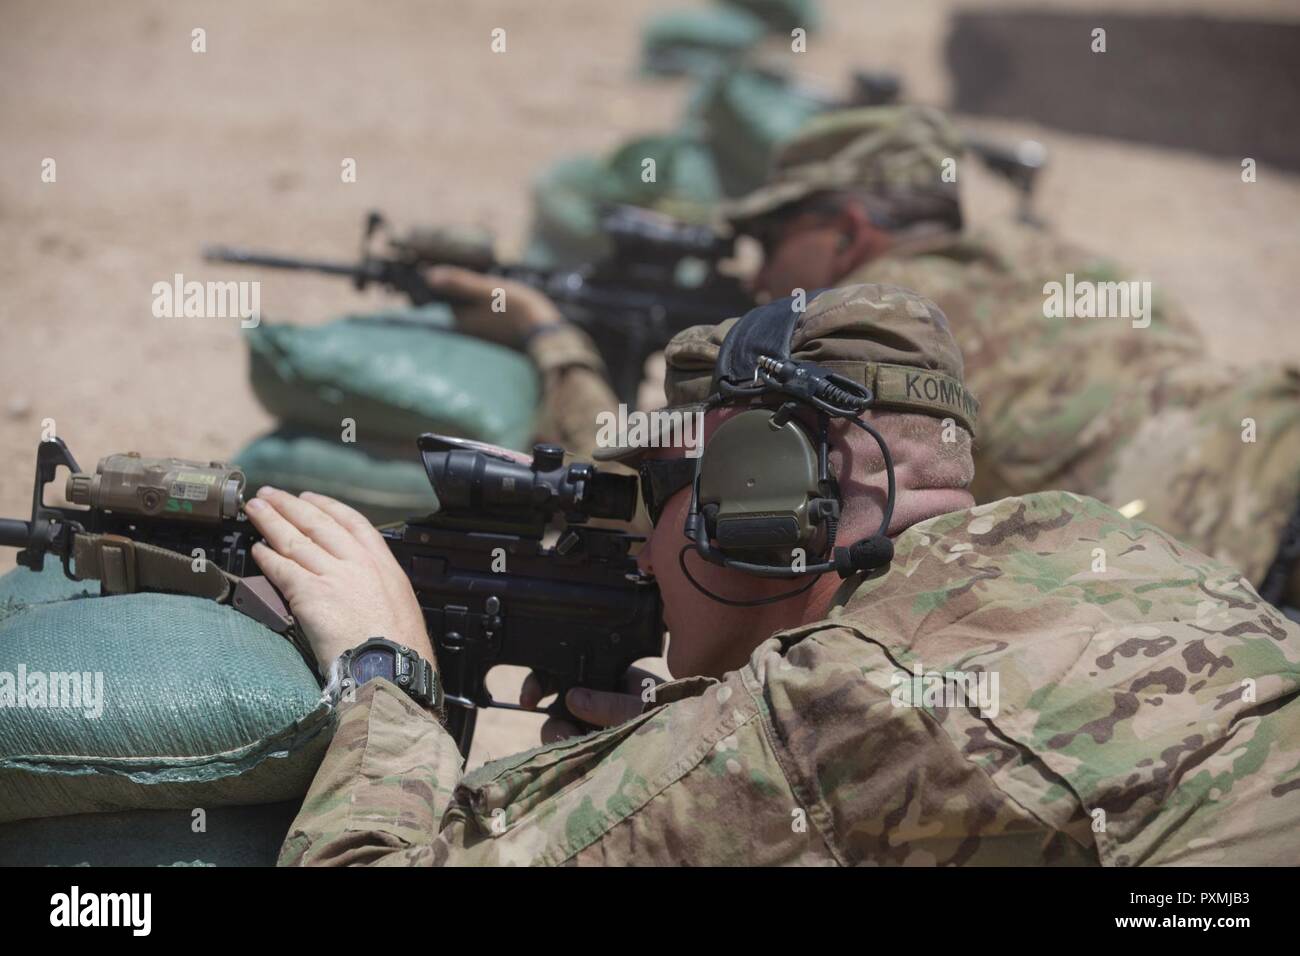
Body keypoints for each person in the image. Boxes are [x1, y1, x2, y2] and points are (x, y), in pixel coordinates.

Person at [246, 284, 1300, 866]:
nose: (643, 552)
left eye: (653, 499)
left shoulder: (829, 710)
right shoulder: (1118, 549)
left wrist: (384, 676)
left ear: (756, 498)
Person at [717, 104, 1300, 610]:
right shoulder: (1052, 254)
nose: (760, 274)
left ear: (847, 229)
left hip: (1243, 535)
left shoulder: (869, 321)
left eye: (770, 239)